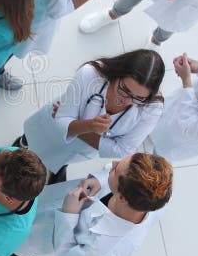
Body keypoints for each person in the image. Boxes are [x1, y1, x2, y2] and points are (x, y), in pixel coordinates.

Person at [0, 153, 172, 256]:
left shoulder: (108, 252)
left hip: (42, 238)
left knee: (19, 251)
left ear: (122, 198)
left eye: (115, 171)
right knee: (33, 209)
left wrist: (68, 216)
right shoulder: (147, 194)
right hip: (49, 203)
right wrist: (101, 178)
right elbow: (112, 170)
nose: (113, 164)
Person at [16, 50, 164, 182]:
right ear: (118, 72)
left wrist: (78, 125)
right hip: (51, 129)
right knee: (35, 138)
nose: (126, 100)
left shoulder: (152, 108)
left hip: (80, 148)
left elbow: (122, 150)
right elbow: (61, 123)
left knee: (60, 159)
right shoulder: (90, 74)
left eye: (139, 98)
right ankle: (22, 143)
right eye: (124, 89)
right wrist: (90, 128)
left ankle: (58, 166)